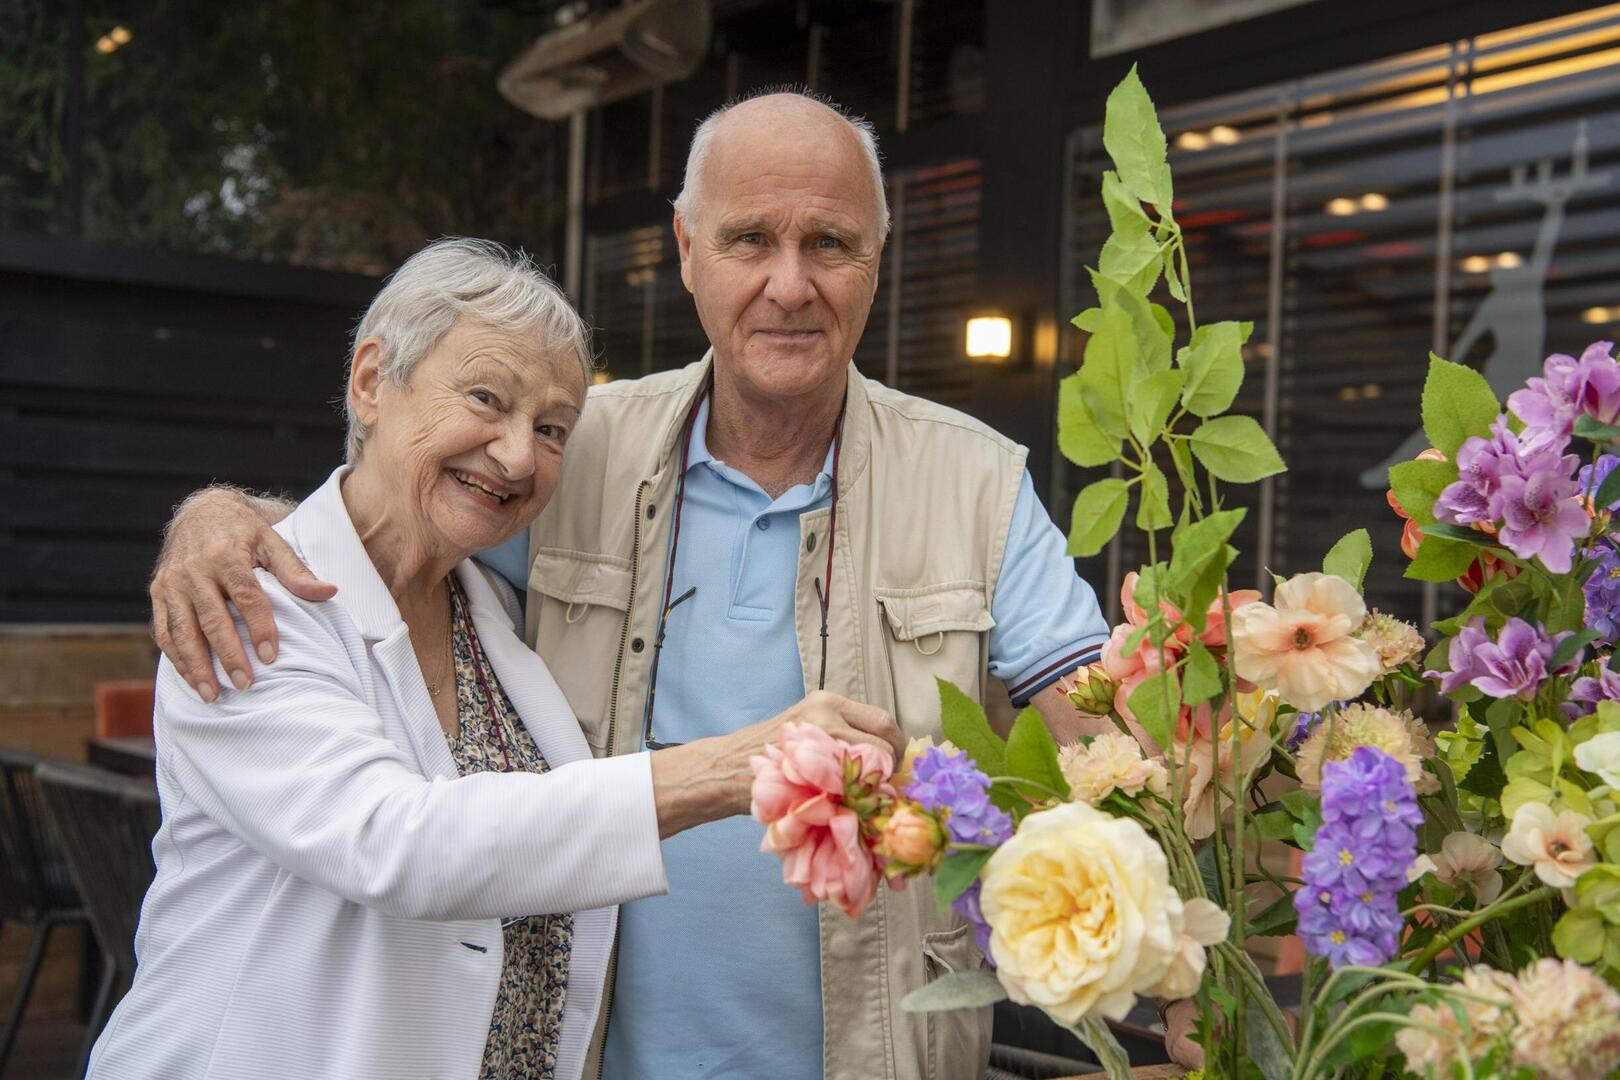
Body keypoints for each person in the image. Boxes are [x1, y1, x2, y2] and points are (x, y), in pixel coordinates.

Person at [150, 93, 1118, 1080]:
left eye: (830, 242)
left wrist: (1173, 964)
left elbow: (1106, 751)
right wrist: (224, 516)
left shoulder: (975, 484)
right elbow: (391, 510)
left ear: (878, 257)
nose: (790, 284)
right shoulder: (571, 453)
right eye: (749, 239)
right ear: (687, 247)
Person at [95, 237, 901, 1080]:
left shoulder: (492, 605)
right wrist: (733, 766)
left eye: (552, 429)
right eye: (487, 397)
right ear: (371, 381)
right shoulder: (246, 609)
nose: (519, 455)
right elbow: (398, 843)